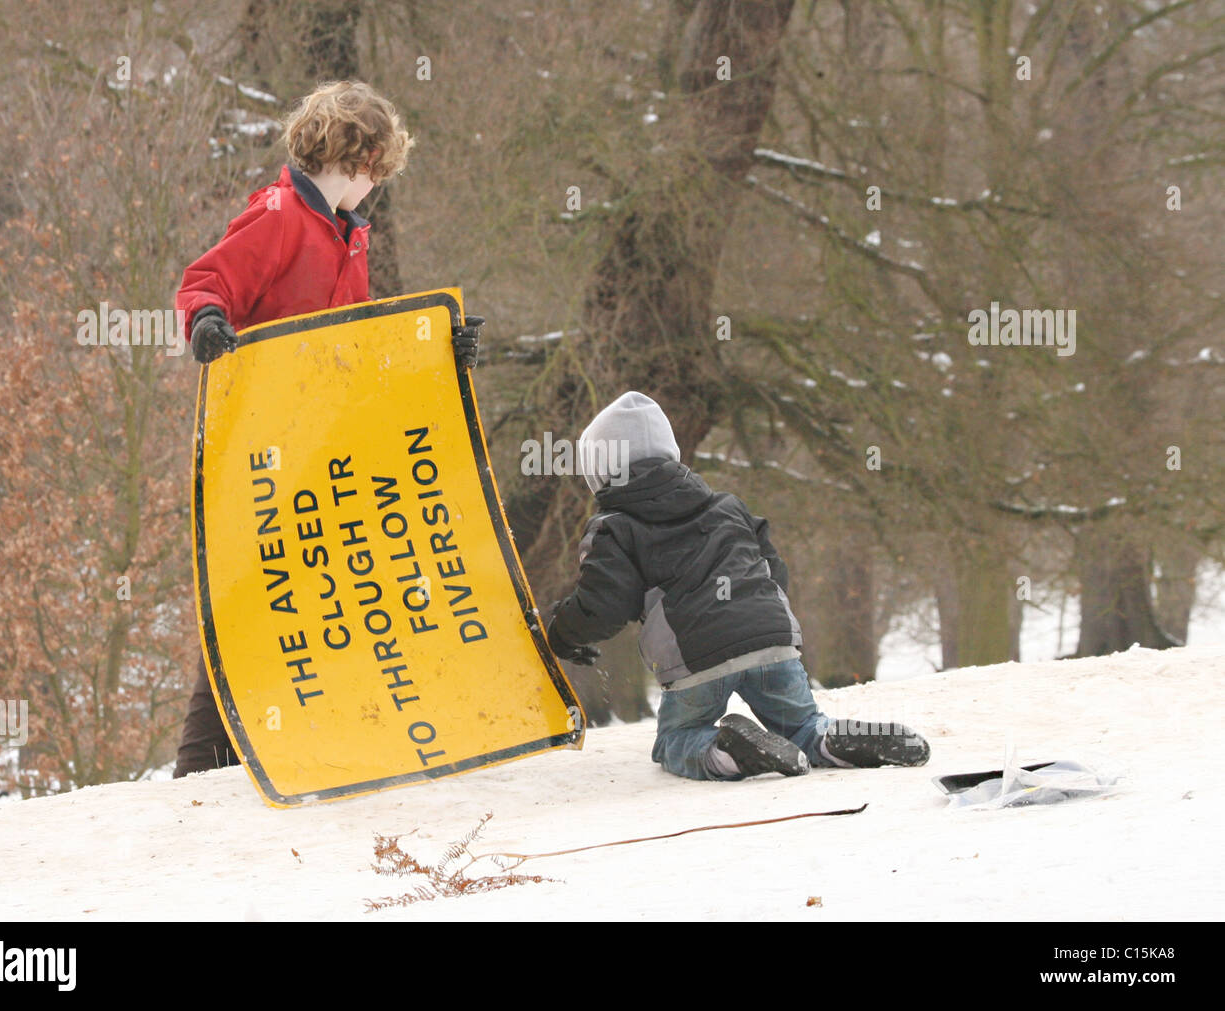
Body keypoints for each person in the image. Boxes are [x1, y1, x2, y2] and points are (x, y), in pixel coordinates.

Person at [172, 80, 483, 777]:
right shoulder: (281, 216)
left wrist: (439, 354)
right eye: (374, 172)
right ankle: (197, 773)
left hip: (322, 450)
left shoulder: (349, 237)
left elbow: (359, 349)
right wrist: (209, 321)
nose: (374, 188)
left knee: (315, 597)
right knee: (249, 602)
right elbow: (203, 282)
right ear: (355, 158)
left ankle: (322, 746)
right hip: (261, 451)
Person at [544, 391, 930, 781]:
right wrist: (756, 620)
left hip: (696, 661)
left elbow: (605, 604)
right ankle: (829, 739)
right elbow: (773, 571)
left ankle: (727, 751)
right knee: (801, 726)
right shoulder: (728, 506)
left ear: (600, 470)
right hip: (772, 642)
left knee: (677, 739)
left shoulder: (614, 527)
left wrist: (562, 634)